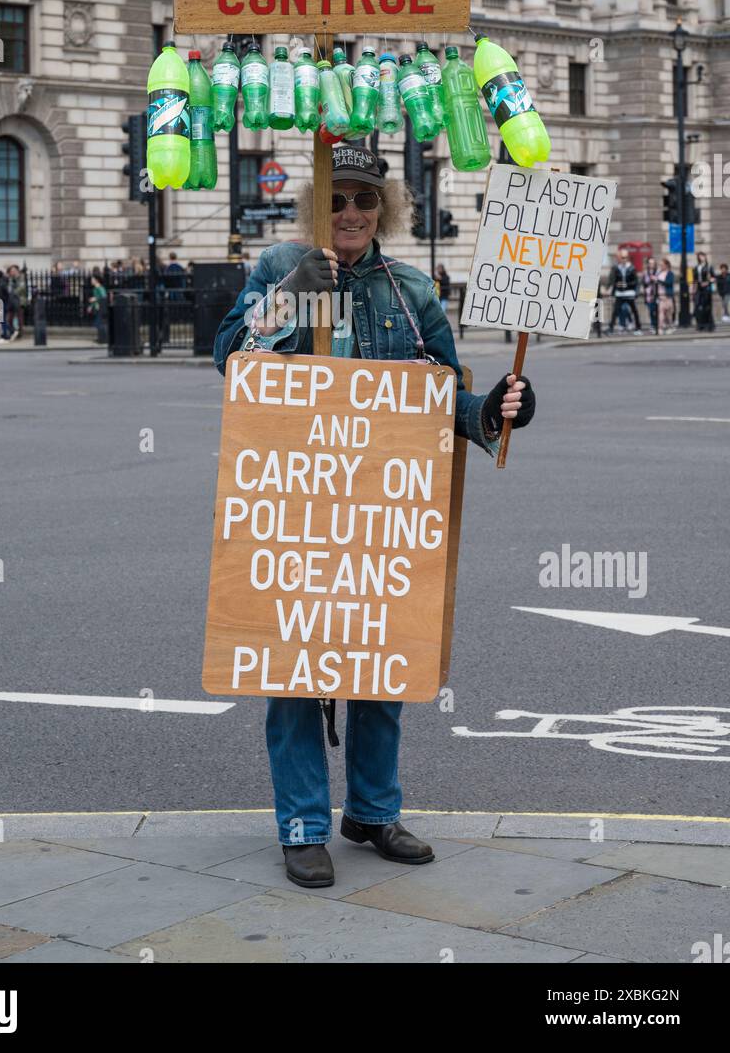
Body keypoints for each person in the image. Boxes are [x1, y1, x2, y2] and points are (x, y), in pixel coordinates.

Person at [213, 144, 537, 891]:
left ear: (384, 209)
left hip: (384, 503)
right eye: (337, 199)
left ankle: (372, 812)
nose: (351, 212)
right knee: (292, 667)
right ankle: (302, 824)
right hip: (293, 502)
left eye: (364, 200)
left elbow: (447, 399)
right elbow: (231, 362)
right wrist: (290, 293)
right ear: (315, 207)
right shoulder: (277, 271)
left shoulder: (412, 289)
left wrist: (494, 411)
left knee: (385, 660)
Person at [607, 247, 642, 334]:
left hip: (629, 293)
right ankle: (611, 328)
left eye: (625, 257)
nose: (623, 259)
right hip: (619, 293)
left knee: (634, 311)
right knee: (615, 311)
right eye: (622, 257)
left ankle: (638, 328)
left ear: (627, 258)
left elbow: (636, 281)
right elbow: (613, 280)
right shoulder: (616, 268)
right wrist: (615, 286)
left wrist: (628, 285)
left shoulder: (631, 268)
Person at [692, 252, 715, 332]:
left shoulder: (709, 267)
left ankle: (709, 325)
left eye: (702, 256)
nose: (701, 258)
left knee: (707, 307)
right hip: (698, 288)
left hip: (706, 289)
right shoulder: (696, 267)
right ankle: (700, 324)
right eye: (699, 257)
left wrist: (707, 282)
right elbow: (694, 280)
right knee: (698, 306)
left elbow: (713, 278)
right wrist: (693, 289)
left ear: (705, 257)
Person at [88, 268, 108, 344]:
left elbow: (104, 297)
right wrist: (90, 306)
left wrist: (95, 299)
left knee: (100, 323)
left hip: (101, 308)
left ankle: (103, 339)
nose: (91, 281)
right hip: (97, 307)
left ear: (96, 280)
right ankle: (100, 338)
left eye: (92, 279)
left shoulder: (100, 288)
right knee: (98, 324)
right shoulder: (95, 289)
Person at [656, 257, 675, 334]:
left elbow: (669, 283)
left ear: (666, 265)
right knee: (661, 312)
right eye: (660, 265)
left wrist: (658, 280)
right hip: (660, 295)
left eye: (662, 265)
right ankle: (660, 328)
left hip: (667, 295)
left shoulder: (670, 274)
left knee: (668, 314)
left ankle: (670, 326)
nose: (661, 266)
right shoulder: (659, 273)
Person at [642, 256, 660, 334]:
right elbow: (644, 283)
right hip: (649, 294)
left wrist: (656, 279)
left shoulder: (658, 271)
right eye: (650, 263)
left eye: (653, 263)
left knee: (657, 310)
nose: (651, 264)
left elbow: (660, 281)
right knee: (651, 310)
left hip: (658, 294)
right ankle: (653, 325)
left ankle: (657, 325)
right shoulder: (646, 272)